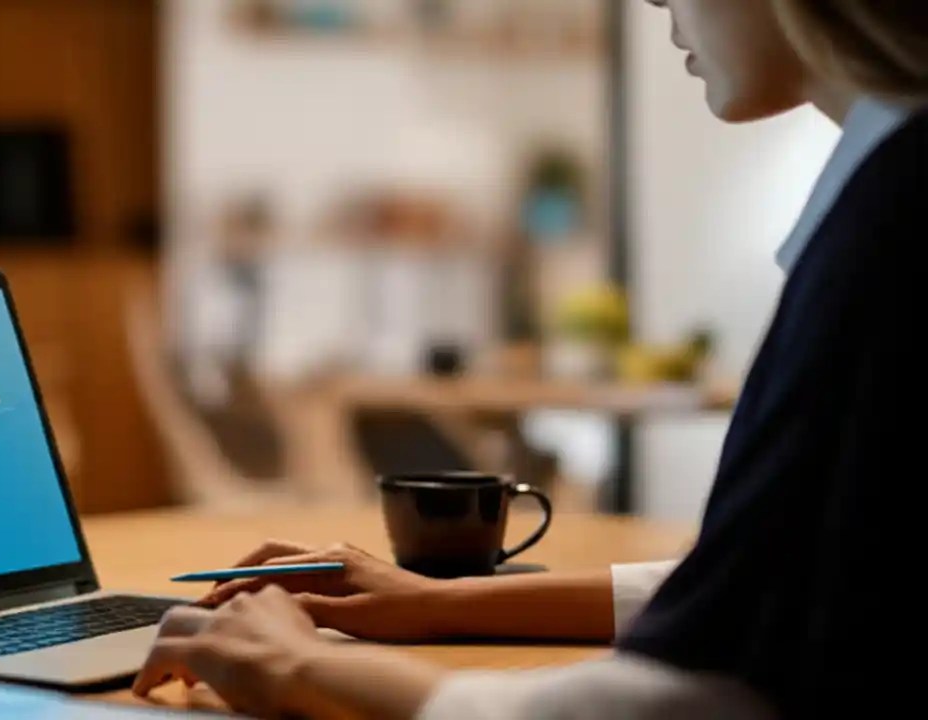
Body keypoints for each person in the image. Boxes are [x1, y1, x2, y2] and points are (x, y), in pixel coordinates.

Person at [132, 1, 928, 717]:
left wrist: (298, 667)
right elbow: (765, 595)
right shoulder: (886, 185)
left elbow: (694, 699)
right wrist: (440, 603)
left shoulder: (894, 221)